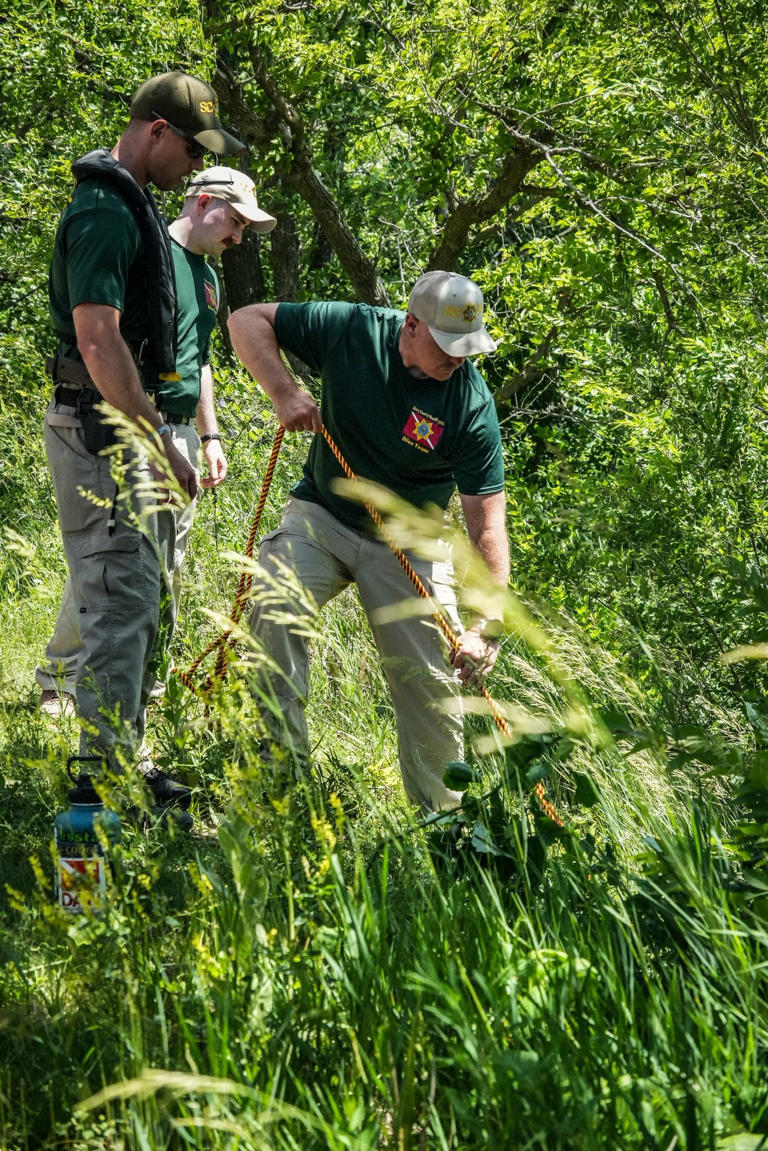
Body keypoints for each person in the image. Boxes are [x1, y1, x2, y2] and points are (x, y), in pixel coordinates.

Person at [227, 271, 510, 813]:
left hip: (411, 540)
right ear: (411, 326)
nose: (459, 359)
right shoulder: (352, 329)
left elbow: (487, 525)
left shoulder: (471, 406)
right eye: (449, 346)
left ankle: (442, 821)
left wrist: (485, 626)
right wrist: (285, 393)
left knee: (432, 679)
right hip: (323, 513)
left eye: (467, 348)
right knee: (272, 599)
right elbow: (246, 320)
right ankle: (279, 790)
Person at [43, 73, 244, 815]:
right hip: (106, 432)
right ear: (156, 131)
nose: (195, 165)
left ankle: (124, 756)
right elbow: (98, 340)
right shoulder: (104, 211)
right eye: (192, 151)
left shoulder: (134, 207)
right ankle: (96, 795)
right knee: (115, 602)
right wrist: (160, 434)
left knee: (139, 598)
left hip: (125, 430)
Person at [38, 166, 277, 718]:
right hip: (132, 428)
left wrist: (210, 435)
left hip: (182, 435)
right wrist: (150, 429)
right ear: (203, 201)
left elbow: (202, 361)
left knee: (163, 567)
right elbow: (103, 336)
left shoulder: (211, 279)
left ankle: (142, 687)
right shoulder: (148, 251)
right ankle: (61, 677)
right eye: (236, 220)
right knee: (109, 559)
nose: (239, 236)